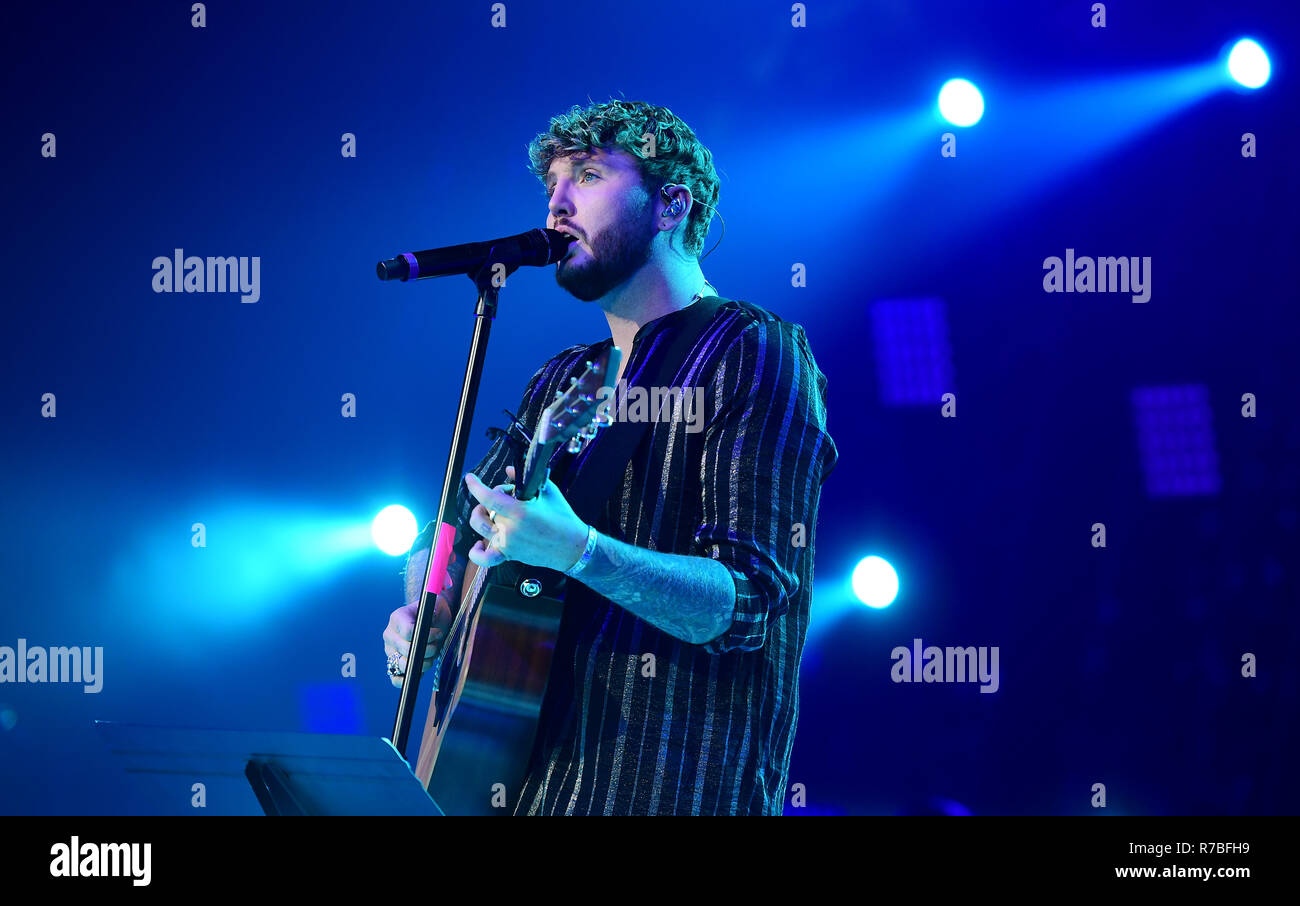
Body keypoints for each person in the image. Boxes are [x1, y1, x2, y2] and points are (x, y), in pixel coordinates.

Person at [383, 100, 837, 815]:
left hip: (655, 790)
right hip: (516, 786)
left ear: (670, 205)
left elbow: (746, 602)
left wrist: (584, 552)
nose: (557, 206)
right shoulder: (563, 378)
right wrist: (426, 605)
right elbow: (448, 535)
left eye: (588, 175)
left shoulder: (751, 351)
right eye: (551, 187)